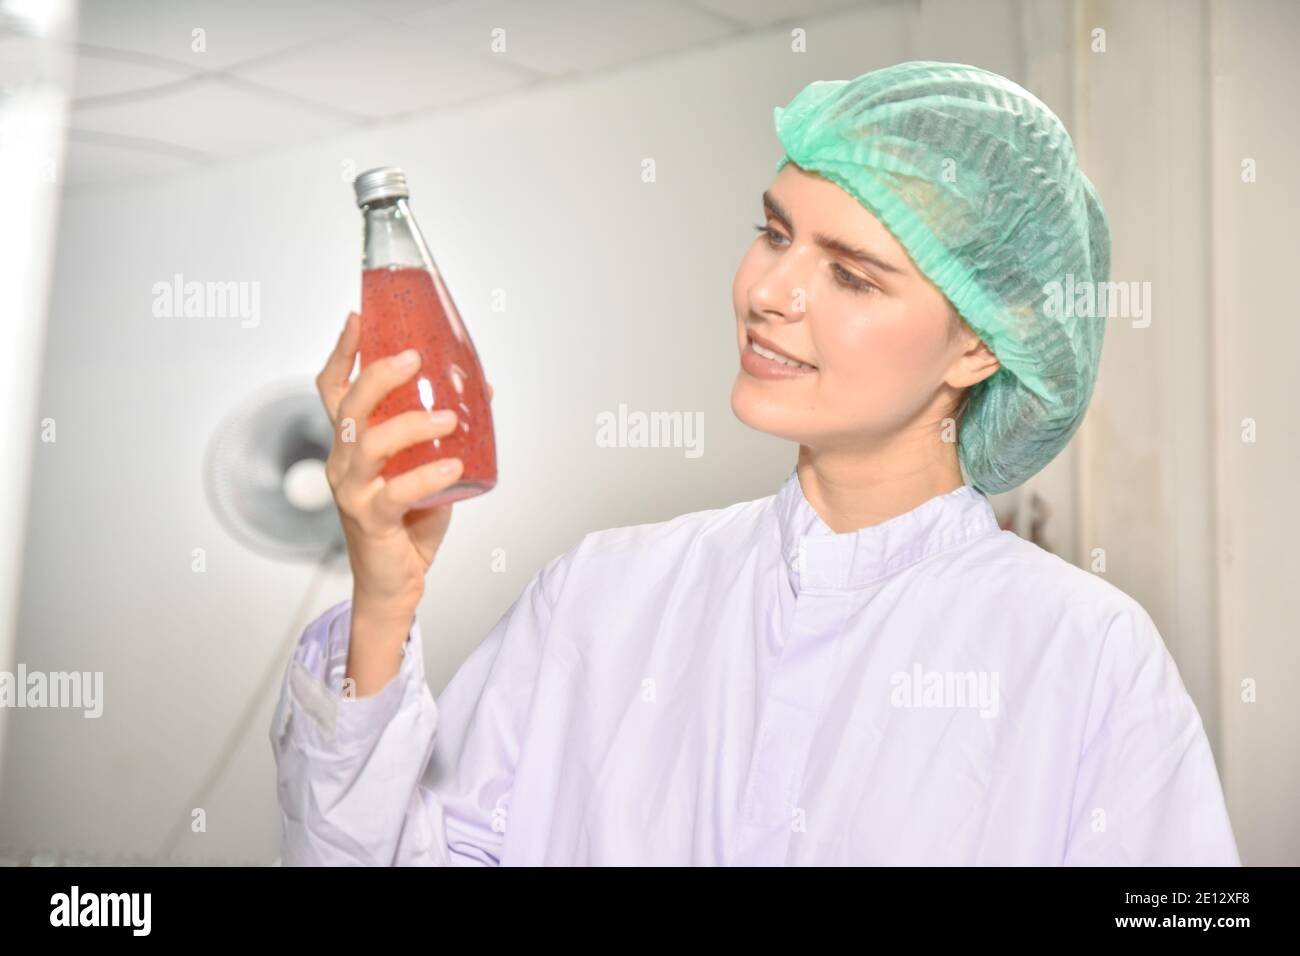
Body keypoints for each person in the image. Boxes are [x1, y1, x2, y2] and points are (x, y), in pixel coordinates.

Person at [270, 61, 1239, 865]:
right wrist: (383, 605)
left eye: (851, 274)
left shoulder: (1080, 652)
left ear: (980, 346)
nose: (770, 290)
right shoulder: (600, 598)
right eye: (774, 232)